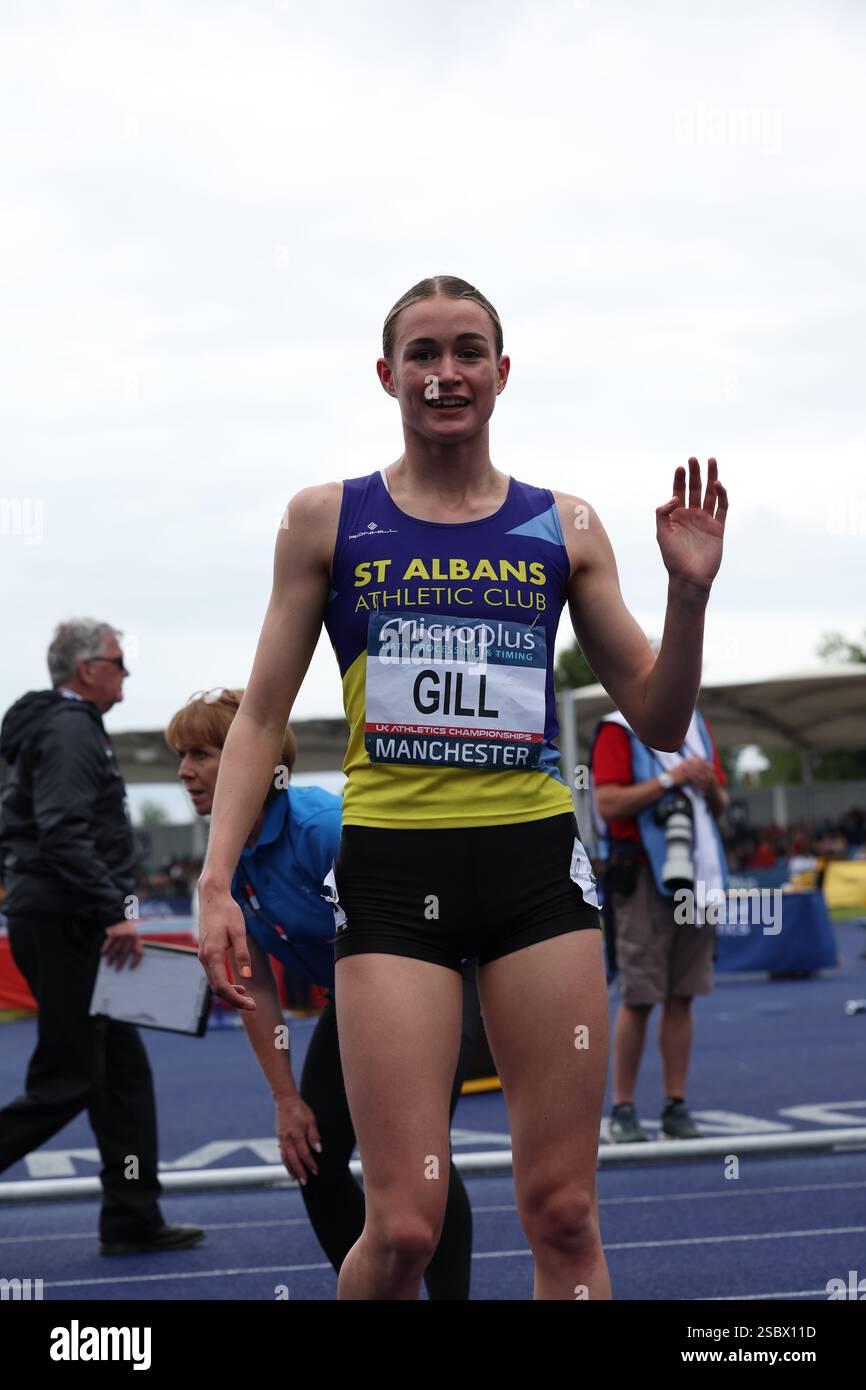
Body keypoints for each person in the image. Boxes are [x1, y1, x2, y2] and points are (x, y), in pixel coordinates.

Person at [196, 275, 728, 1300]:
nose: (447, 374)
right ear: (388, 373)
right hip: (394, 875)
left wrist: (688, 597)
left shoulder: (562, 525)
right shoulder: (325, 519)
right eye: (426, 354)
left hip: (534, 871)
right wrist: (215, 879)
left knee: (564, 1214)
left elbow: (658, 718)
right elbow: (260, 715)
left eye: (469, 351)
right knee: (400, 1228)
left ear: (501, 371)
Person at [166, 687, 478, 1298]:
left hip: (433, 983)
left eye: (199, 754)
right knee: (313, 1158)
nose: (183, 772)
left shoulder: (320, 829)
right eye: (181, 755)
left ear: (248, 759)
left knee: (423, 1159)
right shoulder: (229, 855)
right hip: (357, 1001)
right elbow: (252, 986)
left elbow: (421, 931)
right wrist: (287, 1100)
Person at [0, 618, 204, 1255]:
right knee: (69, 1078)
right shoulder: (68, 729)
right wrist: (116, 907)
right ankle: (131, 1214)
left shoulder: (63, 727)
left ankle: (131, 1216)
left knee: (121, 1079)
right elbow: (63, 830)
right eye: (118, 662)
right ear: (88, 669)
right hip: (70, 921)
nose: (125, 673)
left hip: (71, 917)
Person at [591, 705, 729, 1142]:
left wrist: (706, 785)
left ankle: (675, 1105)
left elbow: (720, 804)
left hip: (698, 872)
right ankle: (623, 1109)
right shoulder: (619, 727)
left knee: (683, 993)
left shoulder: (697, 725)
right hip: (643, 875)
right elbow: (607, 803)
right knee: (640, 994)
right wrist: (671, 779)